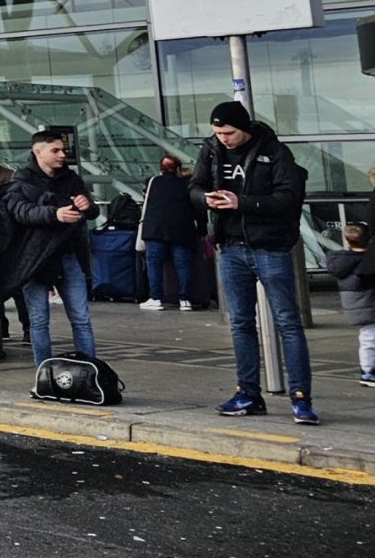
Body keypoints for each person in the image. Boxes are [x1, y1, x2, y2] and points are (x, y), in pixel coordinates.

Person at [194, 100, 318, 424]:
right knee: (240, 324)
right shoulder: (210, 151)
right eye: (218, 132)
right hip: (230, 246)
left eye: (229, 132)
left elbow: (289, 199)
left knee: (288, 323)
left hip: (270, 247)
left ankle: (301, 397)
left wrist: (242, 202)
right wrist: (204, 198)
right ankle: (248, 393)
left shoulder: (275, 152)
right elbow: (194, 186)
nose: (223, 138)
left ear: (245, 128)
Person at [0, 130, 98, 370]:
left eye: (63, 150)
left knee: (81, 319)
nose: (62, 155)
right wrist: (55, 215)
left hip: (67, 254)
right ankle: (43, 373)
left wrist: (87, 205)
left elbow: (90, 210)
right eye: (55, 150)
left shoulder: (70, 178)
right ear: (38, 152)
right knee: (39, 320)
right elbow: (22, 212)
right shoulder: (21, 180)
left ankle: (90, 371)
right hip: (36, 258)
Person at [138, 153, 205, 311]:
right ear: (178, 169)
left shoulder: (152, 182)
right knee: (183, 265)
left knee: (154, 264)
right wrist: (202, 229)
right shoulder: (188, 185)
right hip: (182, 229)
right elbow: (198, 208)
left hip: (155, 228)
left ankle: (156, 298)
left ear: (160, 169)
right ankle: (185, 300)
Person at [325, 222, 375, 388]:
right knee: (369, 338)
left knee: (367, 338)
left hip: (355, 306)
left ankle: (368, 370)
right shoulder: (366, 262)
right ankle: (368, 372)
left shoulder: (342, 261)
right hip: (368, 304)